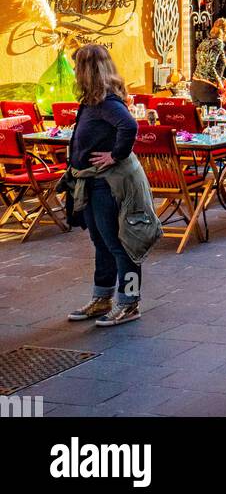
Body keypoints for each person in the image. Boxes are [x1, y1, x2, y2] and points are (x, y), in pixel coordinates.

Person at [65, 45, 151, 327]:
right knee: (100, 242)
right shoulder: (92, 101)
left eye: (77, 66)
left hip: (107, 184)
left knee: (119, 244)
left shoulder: (107, 102)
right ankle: (102, 297)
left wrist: (115, 154)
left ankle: (129, 303)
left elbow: (130, 126)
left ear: (88, 70)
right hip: (91, 182)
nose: (74, 71)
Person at [190, 17, 226, 108]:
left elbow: (202, 65)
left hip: (195, 85)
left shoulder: (204, 42)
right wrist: (220, 83)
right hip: (207, 88)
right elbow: (210, 66)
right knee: (213, 121)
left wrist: (222, 78)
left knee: (200, 121)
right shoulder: (218, 43)